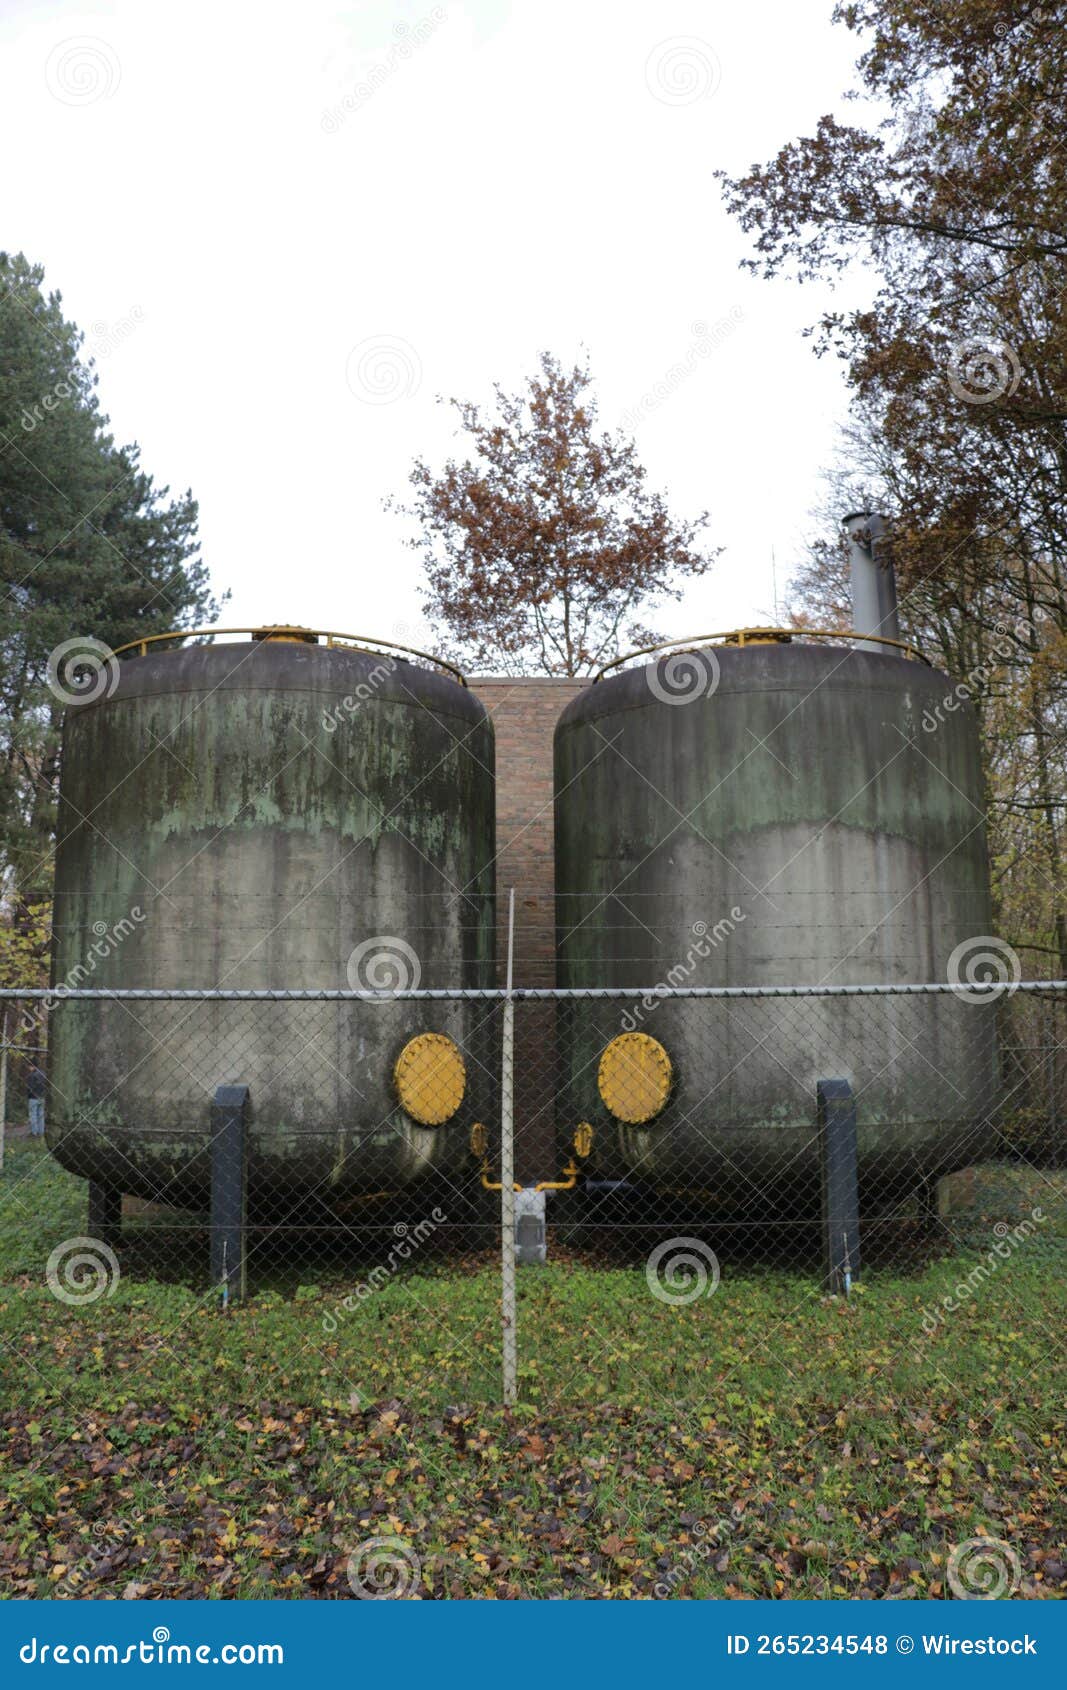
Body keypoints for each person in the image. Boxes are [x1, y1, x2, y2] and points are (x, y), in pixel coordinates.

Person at [26, 1062, 46, 1138]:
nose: (29, 1069)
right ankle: (41, 1132)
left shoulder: (32, 1075)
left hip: (33, 1098)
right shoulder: (44, 1074)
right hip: (42, 1097)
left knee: (33, 1115)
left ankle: (34, 1132)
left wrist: (28, 1095)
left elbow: (29, 1088)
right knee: (41, 1115)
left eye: (29, 1067)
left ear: (32, 1066)